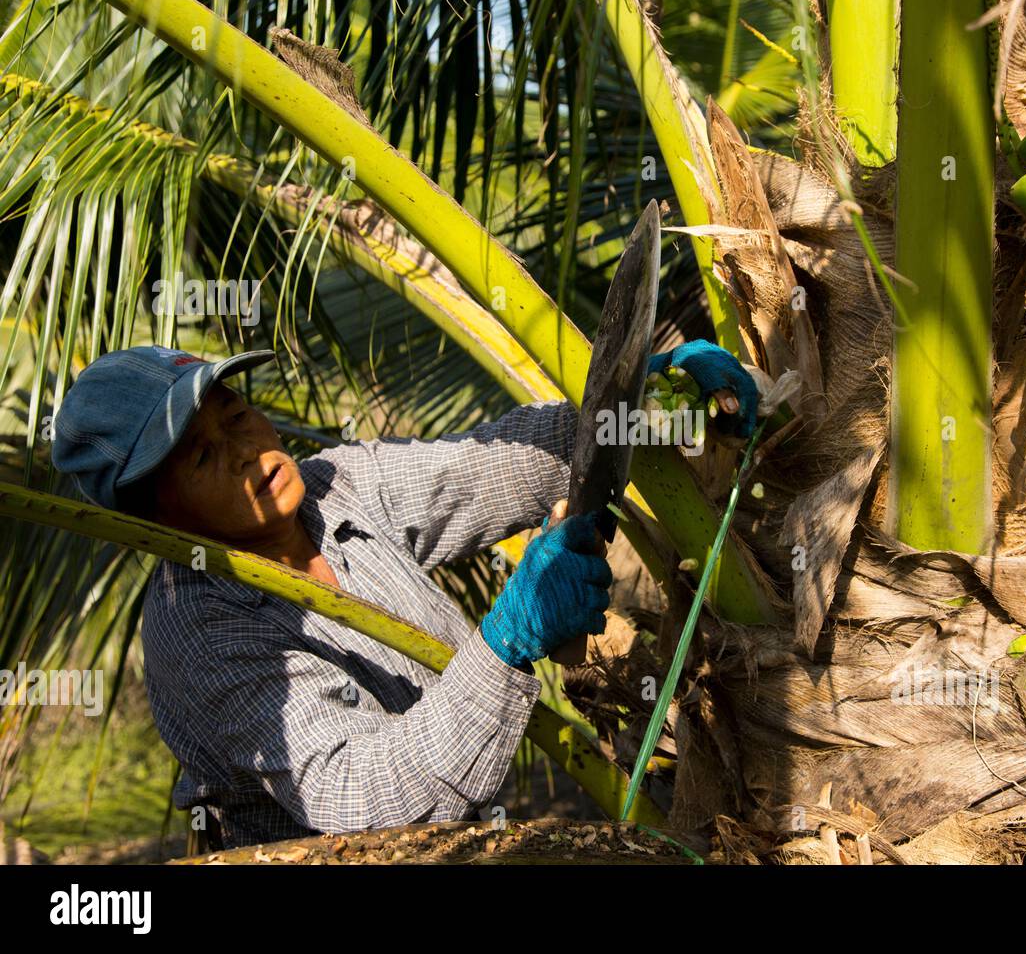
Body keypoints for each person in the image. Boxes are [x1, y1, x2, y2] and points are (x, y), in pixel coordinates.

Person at [51, 341, 757, 849]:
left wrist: (643, 401)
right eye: (203, 455)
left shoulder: (335, 487)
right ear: (156, 518)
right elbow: (364, 800)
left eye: (235, 416)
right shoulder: (198, 631)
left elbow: (494, 468)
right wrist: (507, 641)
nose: (244, 451)